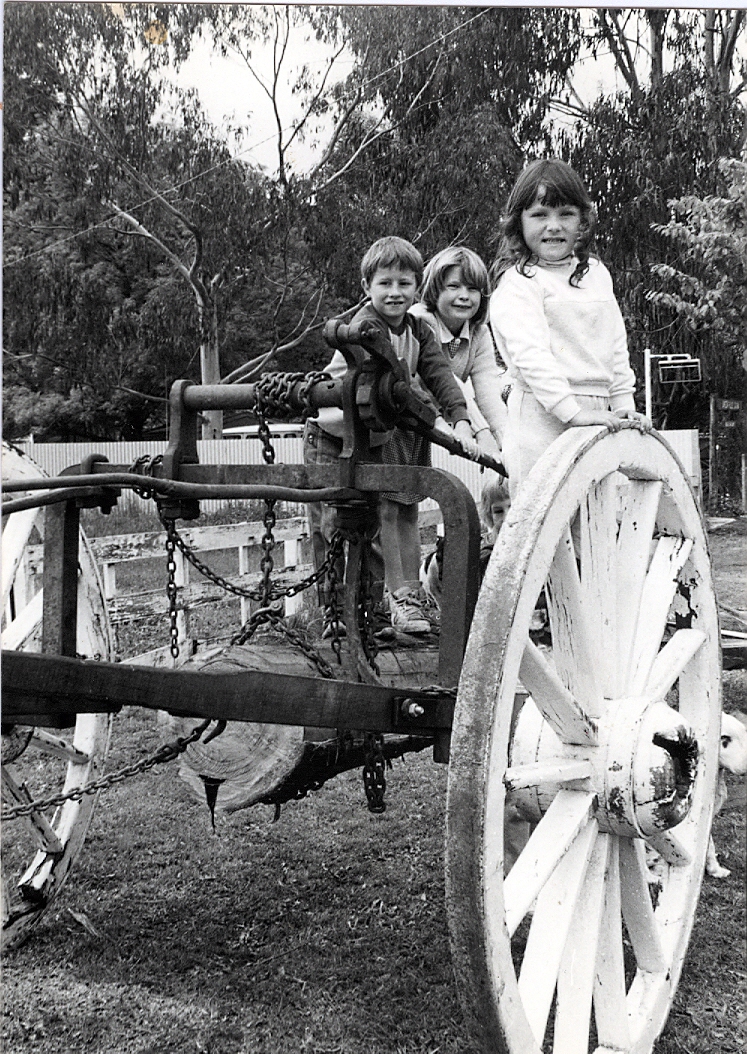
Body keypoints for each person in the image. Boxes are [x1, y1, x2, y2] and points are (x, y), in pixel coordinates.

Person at [305, 235, 478, 636]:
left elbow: (438, 375)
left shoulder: (418, 330)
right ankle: (334, 615)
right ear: (367, 287)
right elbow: (398, 384)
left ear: (418, 288)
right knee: (332, 526)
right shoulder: (365, 328)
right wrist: (436, 422)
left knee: (374, 523)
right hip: (330, 437)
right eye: (385, 283)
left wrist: (461, 417)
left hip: (368, 436)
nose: (395, 292)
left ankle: (372, 612)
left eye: (404, 283)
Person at [489, 158, 650, 499]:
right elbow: (532, 357)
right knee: (544, 521)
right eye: (540, 215)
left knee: (592, 521)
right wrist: (572, 413)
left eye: (565, 214)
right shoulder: (518, 284)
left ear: (583, 221)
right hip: (540, 416)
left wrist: (623, 401)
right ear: (518, 222)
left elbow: (615, 345)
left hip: (597, 411)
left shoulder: (595, 274)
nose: (553, 226)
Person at [410, 246, 507, 462]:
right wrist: (481, 432)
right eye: (453, 286)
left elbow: (488, 394)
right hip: (401, 417)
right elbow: (441, 379)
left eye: (473, 289)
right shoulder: (419, 321)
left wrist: (507, 443)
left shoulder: (479, 333)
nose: (464, 296)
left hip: (430, 421)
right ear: (435, 290)